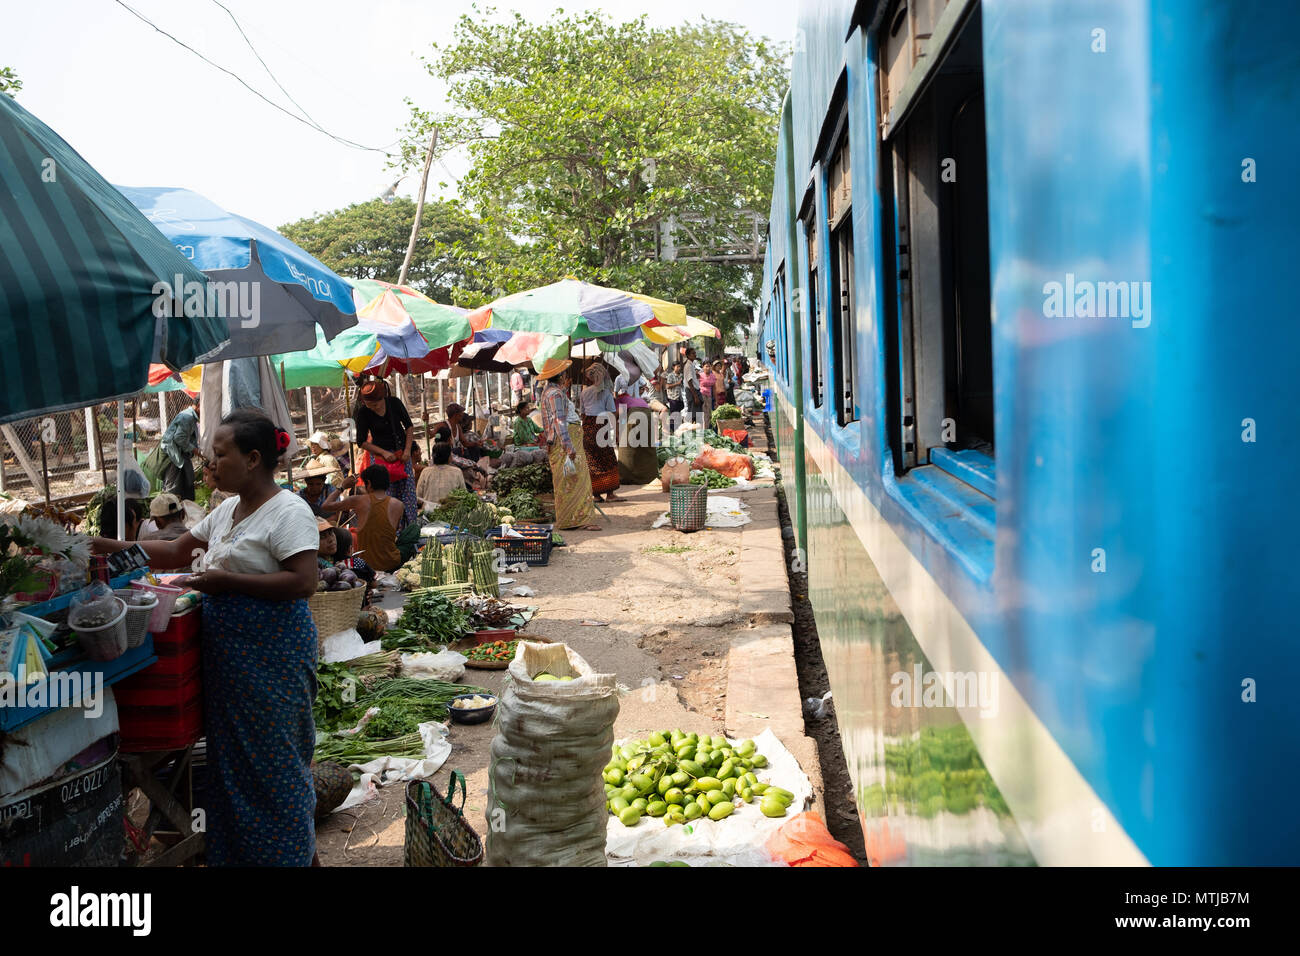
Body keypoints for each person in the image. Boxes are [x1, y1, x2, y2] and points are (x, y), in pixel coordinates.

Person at [92, 409, 320, 866]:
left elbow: (303, 581)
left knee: (276, 767)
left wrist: (226, 582)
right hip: (232, 660)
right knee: (234, 768)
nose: (208, 463)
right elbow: (178, 550)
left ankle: (294, 858)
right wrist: (107, 548)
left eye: (219, 454)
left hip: (272, 656)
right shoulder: (228, 510)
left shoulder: (288, 510)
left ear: (253, 458)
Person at [537, 359, 597, 530]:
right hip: (566, 440)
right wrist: (568, 446)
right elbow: (559, 421)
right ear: (561, 376)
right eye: (564, 374)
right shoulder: (555, 394)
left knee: (568, 480)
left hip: (562, 440)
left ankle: (572, 518)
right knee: (577, 480)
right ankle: (581, 519)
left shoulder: (550, 391)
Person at [353, 378, 417, 529]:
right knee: (385, 495)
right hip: (381, 460)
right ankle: (390, 530)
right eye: (369, 405)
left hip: (401, 455)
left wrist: (408, 450)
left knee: (407, 494)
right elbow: (361, 441)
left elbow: (409, 427)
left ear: (383, 398)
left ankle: (410, 528)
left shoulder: (394, 403)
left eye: (375, 404)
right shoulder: (363, 412)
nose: (373, 408)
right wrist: (383, 453)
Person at [321, 464, 404, 574]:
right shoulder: (399, 505)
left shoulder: (359, 500)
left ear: (369, 483)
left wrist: (342, 487)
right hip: (392, 562)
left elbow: (326, 506)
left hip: (367, 567)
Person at [581, 363, 622, 502]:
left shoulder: (584, 392)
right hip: (600, 428)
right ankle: (610, 494)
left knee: (592, 462)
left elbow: (582, 413)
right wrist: (616, 434)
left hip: (587, 428)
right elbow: (612, 415)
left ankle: (596, 495)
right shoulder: (606, 393)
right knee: (608, 459)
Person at [158, 398, 199, 500]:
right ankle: (169, 510)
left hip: (180, 453)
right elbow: (179, 438)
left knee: (187, 481)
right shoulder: (187, 417)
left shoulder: (191, 417)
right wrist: (195, 450)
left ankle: (184, 507)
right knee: (173, 487)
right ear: (198, 405)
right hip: (174, 453)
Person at [415, 441, 466, 509]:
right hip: (451, 512)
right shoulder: (457, 472)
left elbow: (418, 498)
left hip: (428, 513)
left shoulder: (425, 472)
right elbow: (464, 495)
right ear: (449, 457)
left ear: (433, 457)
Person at [682, 348, 702, 426]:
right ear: (688, 355)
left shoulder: (691, 364)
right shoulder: (688, 365)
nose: (695, 355)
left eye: (695, 353)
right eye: (693, 353)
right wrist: (695, 396)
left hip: (694, 390)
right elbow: (689, 382)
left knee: (696, 414)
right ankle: (690, 429)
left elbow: (691, 378)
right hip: (692, 391)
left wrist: (695, 375)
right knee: (693, 414)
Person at [665, 362, 684, 433]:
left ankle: (677, 429)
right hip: (673, 398)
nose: (679, 368)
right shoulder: (670, 375)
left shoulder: (681, 375)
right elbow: (667, 386)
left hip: (680, 398)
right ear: (673, 367)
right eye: (677, 366)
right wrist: (677, 383)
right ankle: (672, 430)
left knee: (678, 414)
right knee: (673, 415)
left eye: (680, 366)